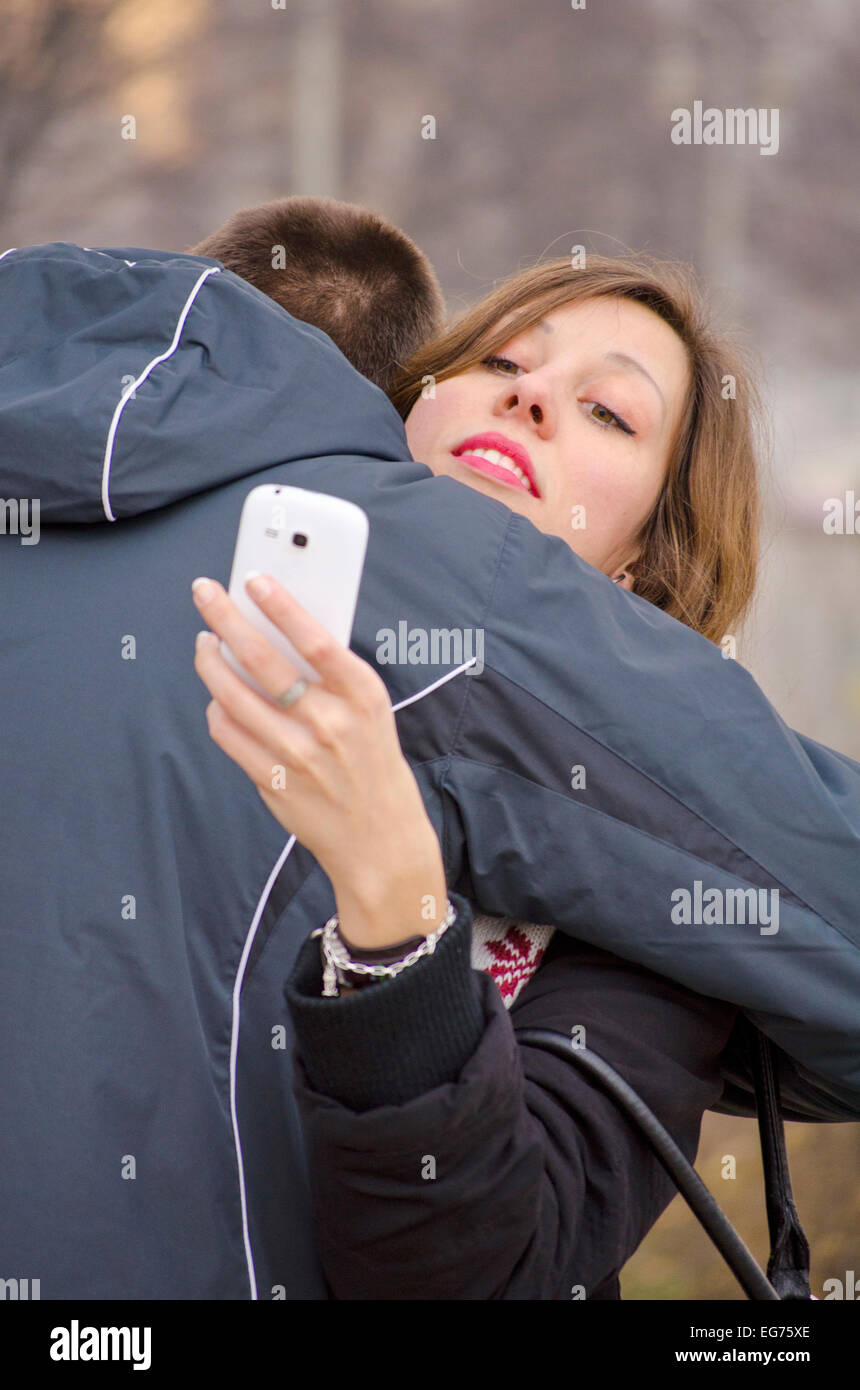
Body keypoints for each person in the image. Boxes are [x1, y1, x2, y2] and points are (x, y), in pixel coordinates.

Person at [0, 233, 857, 1301]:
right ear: (403, 411)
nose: (532, 395)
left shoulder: (641, 923)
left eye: (607, 412)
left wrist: (397, 935)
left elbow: (480, 1276)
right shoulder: (164, 602)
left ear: (642, 562)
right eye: (499, 363)